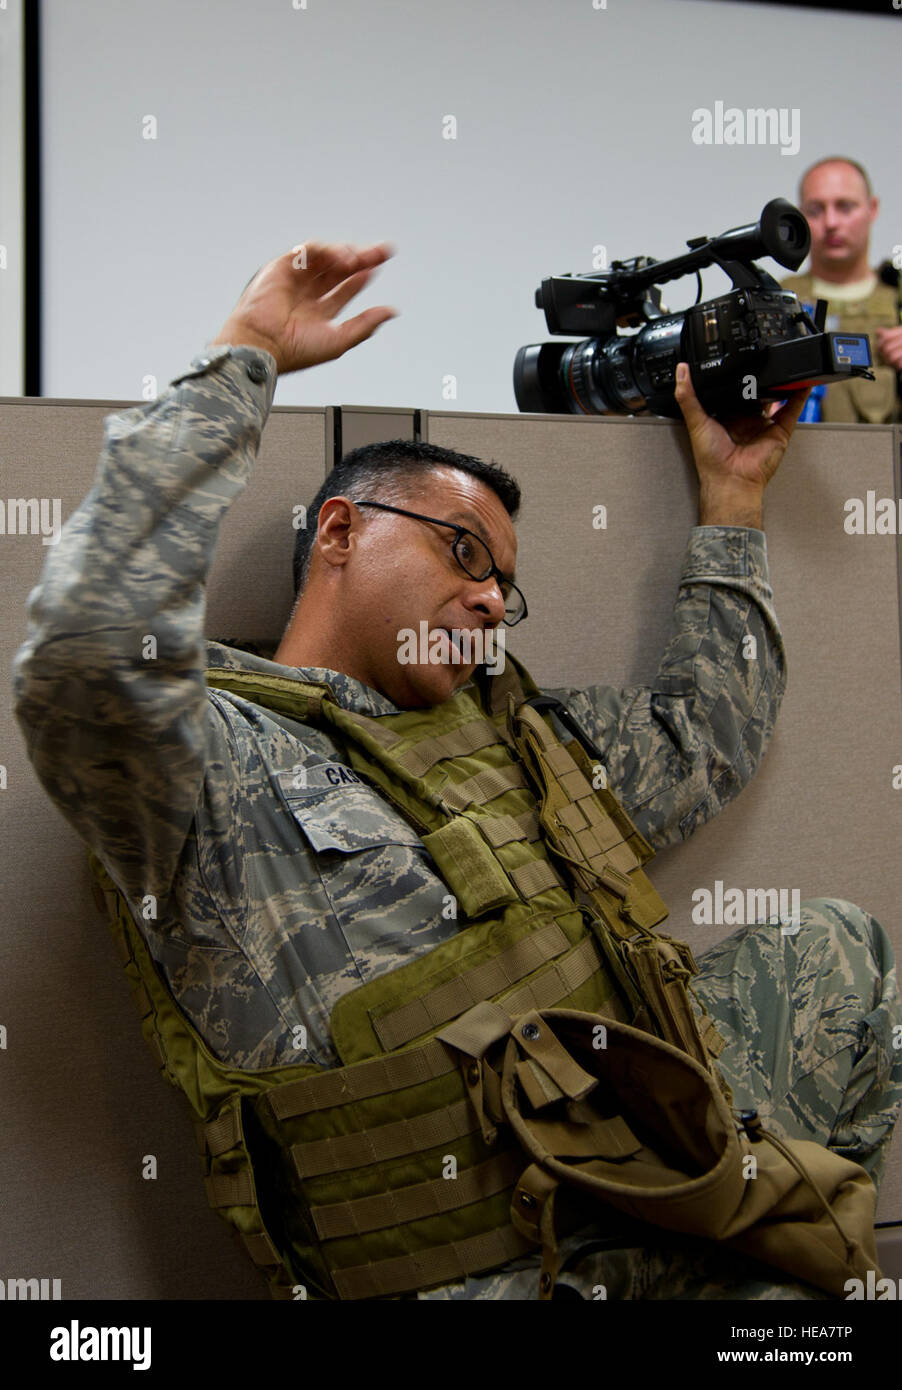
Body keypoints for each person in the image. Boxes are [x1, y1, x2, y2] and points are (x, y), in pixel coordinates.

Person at [12, 242, 901, 1301]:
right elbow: (86, 651)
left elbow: (701, 732)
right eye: (464, 553)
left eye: (506, 586)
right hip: (500, 1270)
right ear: (340, 531)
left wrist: (732, 499)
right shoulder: (211, 762)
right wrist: (242, 357)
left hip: (664, 1191)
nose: (489, 600)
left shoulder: (515, 731)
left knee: (834, 949)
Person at [781, 156, 902, 423]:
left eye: (845, 207)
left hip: (880, 463)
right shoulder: (776, 300)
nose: (831, 222)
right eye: (815, 210)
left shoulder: (898, 301)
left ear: (873, 208)